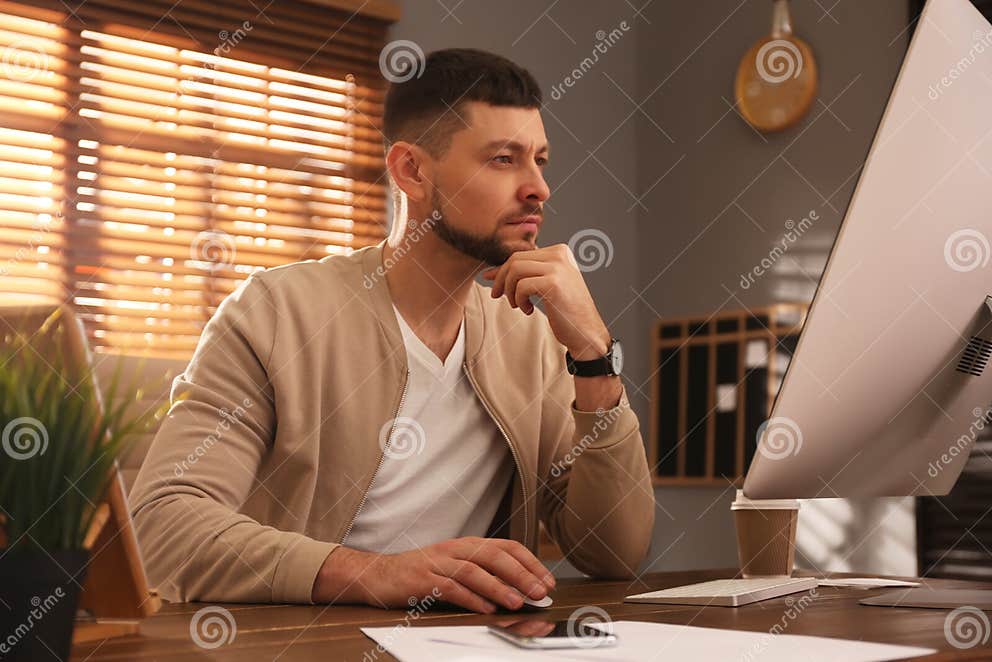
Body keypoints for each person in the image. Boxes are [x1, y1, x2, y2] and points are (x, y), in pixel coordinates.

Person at [129, 47, 655, 613]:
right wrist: (375, 574)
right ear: (412, 170)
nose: (538, 189)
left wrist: (594, 354)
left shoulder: (530, 336)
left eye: (540, 161)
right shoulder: (276, 312)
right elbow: (163, 525)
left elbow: (612, 553)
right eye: (504, 159)